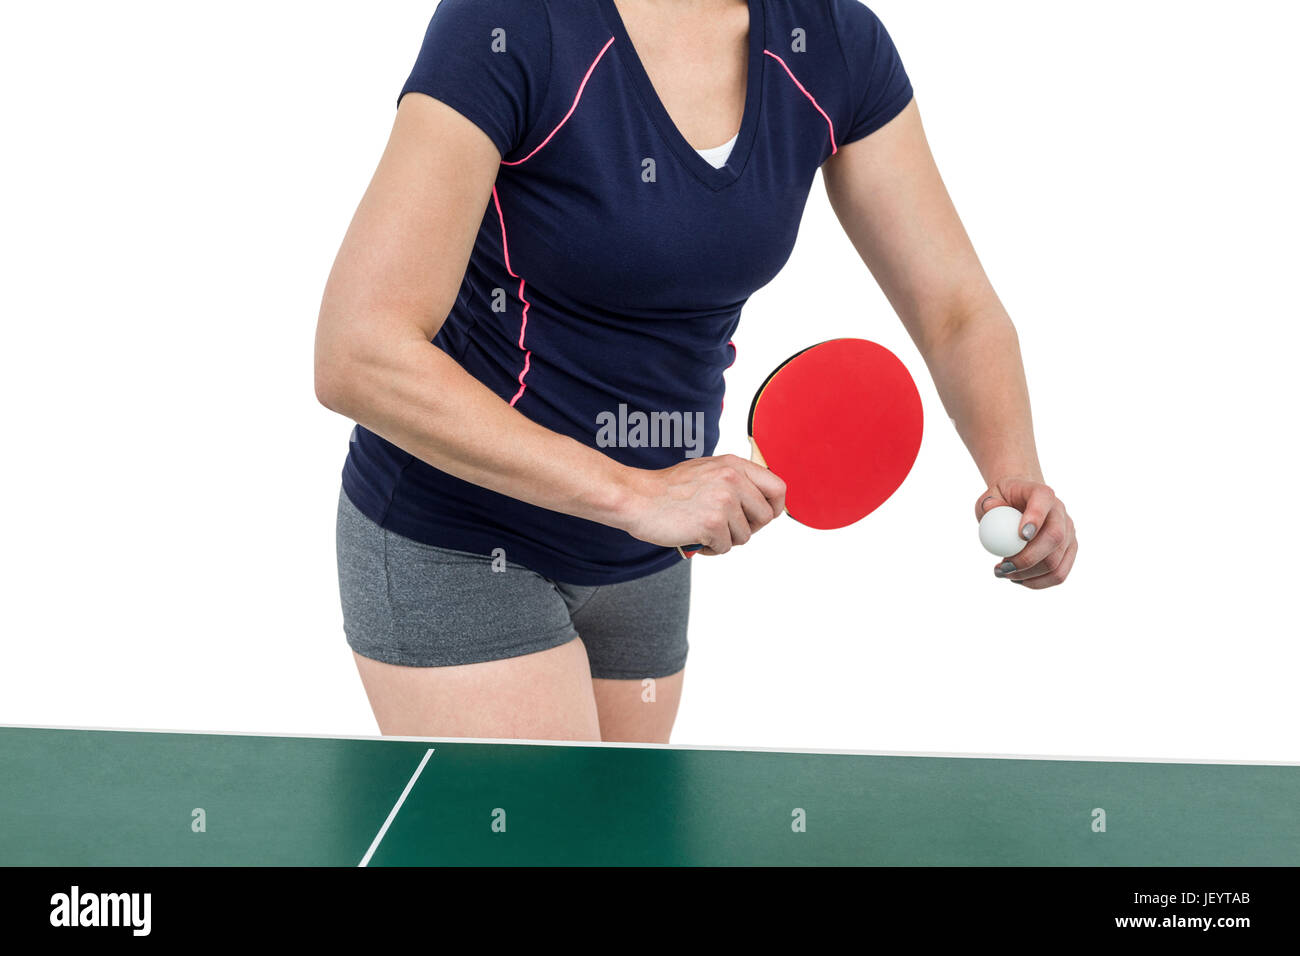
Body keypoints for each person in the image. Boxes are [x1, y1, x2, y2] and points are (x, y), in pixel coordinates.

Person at [314, 0, 1077, 744]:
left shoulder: (835, 43)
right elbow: (358, 351)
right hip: (461, 537)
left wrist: (1016, 476)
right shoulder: (512, 23)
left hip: (645, 559)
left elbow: (954, 310)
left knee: (621, 844)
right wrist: (635, 493)